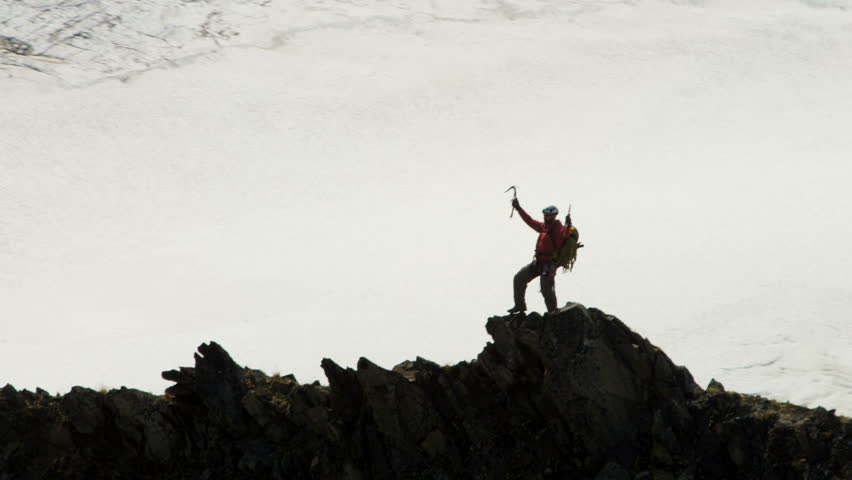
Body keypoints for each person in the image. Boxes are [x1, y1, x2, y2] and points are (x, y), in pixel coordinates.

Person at [508, 198, 570, 314]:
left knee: (546, 288)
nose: (547, 217)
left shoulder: (557, 228)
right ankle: (519, 306)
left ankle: (553, 312)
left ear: (555, 216)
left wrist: (567, 227)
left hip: (549, 264)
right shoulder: (544, 227)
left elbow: (563, 237)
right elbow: (529, 221)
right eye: (546, 215)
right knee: (519, 279)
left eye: (550, 215)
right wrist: (518, 208)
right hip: (538, 262)